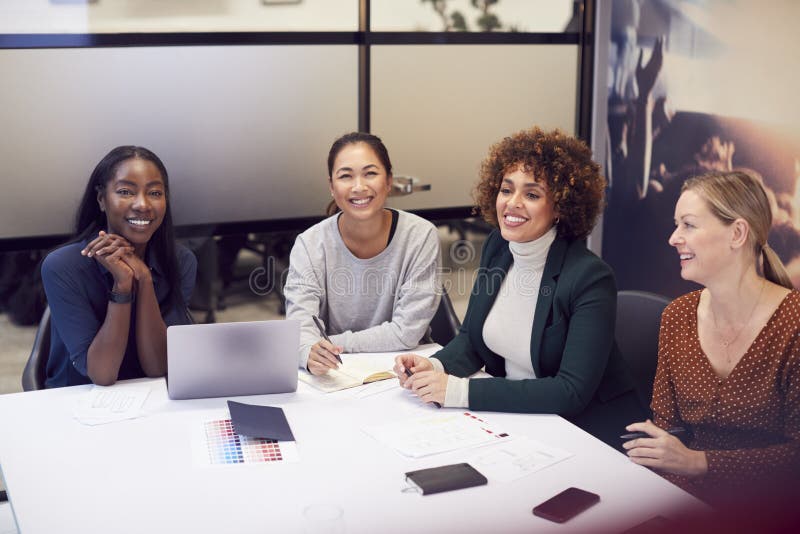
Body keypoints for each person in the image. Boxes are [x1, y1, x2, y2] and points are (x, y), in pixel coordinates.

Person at [394, 127, 644, 448]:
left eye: (532, 194)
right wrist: (435, 365)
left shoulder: (589, 278)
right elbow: (472, 337)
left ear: (560, 208)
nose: (512, 204)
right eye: (506, 190)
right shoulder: (498, 246)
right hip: (521, 419)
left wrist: (457, 391)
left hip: (589, 432)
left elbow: (570, 391)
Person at [623, 170, 800, 504]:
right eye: (676, 225)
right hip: (683, 499)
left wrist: (699, 463)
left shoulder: (793, 325)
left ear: (737, 233)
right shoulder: (677, 316)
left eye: (688, 225)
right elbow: (666, 426)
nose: (674, 238)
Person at [284, 132, 440, 375]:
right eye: (346, 176)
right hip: (335, 375)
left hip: (402, 369)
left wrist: (332, 344)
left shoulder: (420, 236)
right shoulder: (310, 244)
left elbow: (406, 332)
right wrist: (308, 350)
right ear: (332, 187)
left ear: (389, 181)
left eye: (370, 173)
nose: (359, 186)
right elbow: (300, 325)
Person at [41, 146, 196, 387]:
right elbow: (102, 374)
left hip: (150, 398)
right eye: (126, 191)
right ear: (102, 199)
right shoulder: (63, 266)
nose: (143, 204)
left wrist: (143, 278)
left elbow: (158, 366)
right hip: (76, 400)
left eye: (155, 193)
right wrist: (123, 285)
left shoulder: (181, 261)